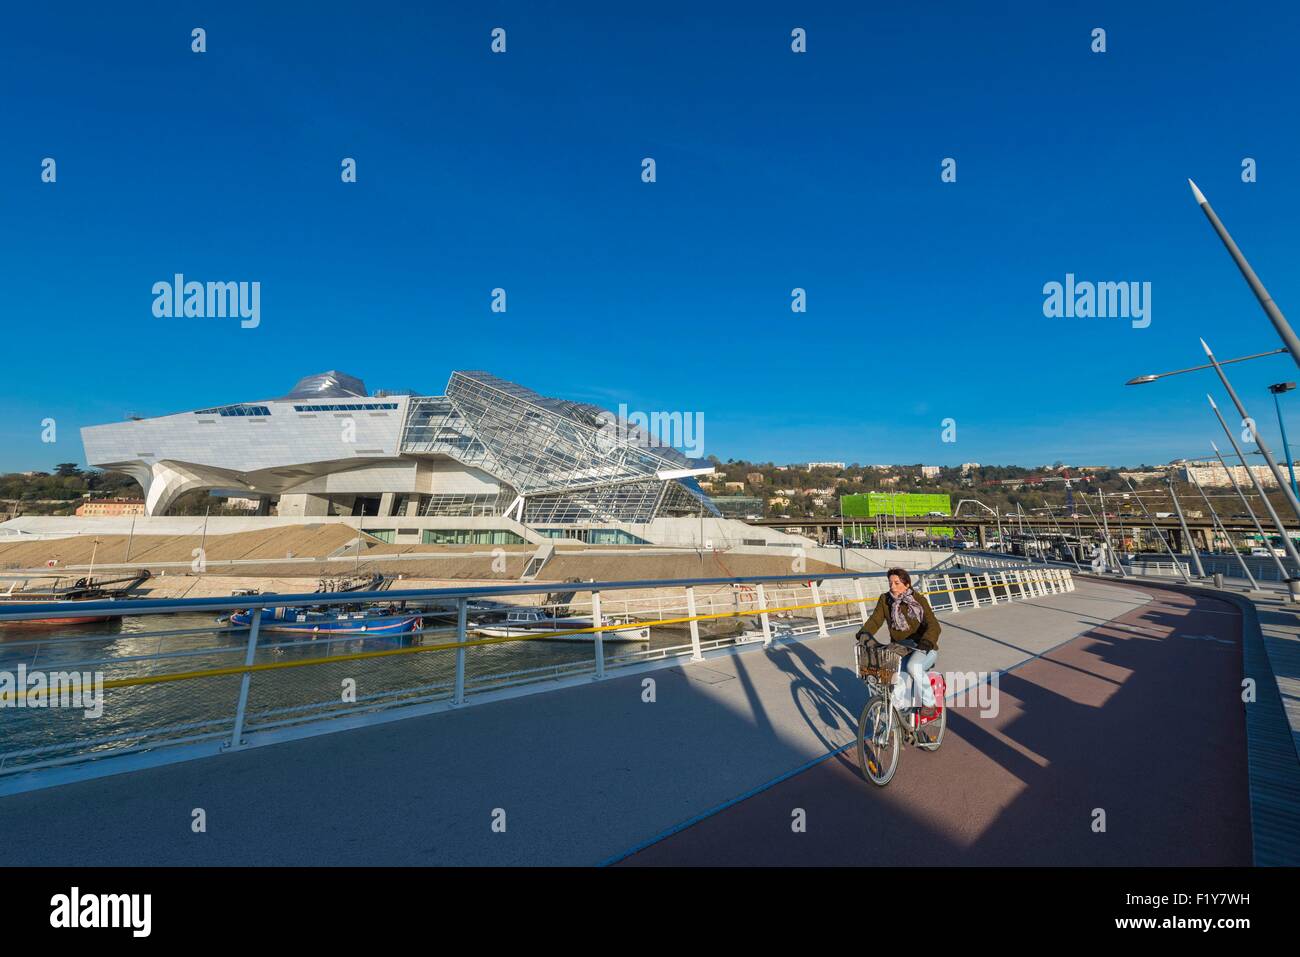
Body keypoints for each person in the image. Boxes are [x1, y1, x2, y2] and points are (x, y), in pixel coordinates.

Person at [856, 567, 941, 718]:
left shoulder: (918, 600)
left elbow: (933, 624)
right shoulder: (885, 600)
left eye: (896, 583)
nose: (892, 587)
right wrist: (864, 632)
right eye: (890, 583)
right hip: (901, 648)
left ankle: (929, 703)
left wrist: (927, 641)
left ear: (907, 584)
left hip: (924, 648)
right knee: (895, 678)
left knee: (913, 667)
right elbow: (875, 620)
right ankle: (897, 720)